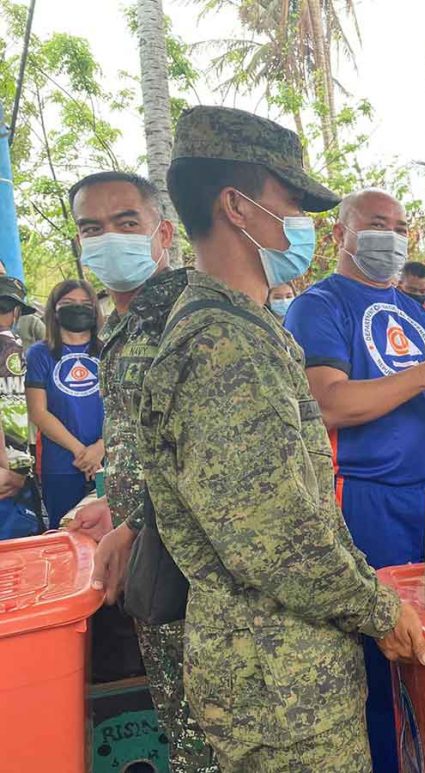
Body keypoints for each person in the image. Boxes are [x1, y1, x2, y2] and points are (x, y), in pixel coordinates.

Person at [105, 106, 425, 771]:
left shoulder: (239, 326)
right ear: (238, 207)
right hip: (280, 689)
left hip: (284, 670)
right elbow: (276, 535)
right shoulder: (225, 345)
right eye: (291, 204)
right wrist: (380, 610)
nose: (301, 225)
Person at [285, 187, 425, 772]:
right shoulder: (319, 306)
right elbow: (329, 403)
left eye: (401, 227)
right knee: (377, 654)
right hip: (361, 497)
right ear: (341, 236)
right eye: (378, 224)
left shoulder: (414, 312)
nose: (393, 237)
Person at [64, 170, 218, 772]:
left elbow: (209, 460)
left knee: (209, 733)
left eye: (127, 223)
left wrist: (135, 524)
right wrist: (112, 502)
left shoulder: (190, 318)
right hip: (150, 569)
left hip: (200, 574)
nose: (110, 239)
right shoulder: (122, 324)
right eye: (92, 228)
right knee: (182, 728)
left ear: (164, 233)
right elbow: (140, 444)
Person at [25, 280, 104, 529]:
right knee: (66, 533)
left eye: (85, 304)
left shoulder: (110, 349)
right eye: (68, 304)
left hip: (109, 459)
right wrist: (82, 452)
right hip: (62, 464)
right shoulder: (39, 354)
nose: (77, 309)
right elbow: (38, 411)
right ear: (54, 310)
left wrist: (101, 448)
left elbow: (127, 406)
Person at [0, 277, 35, 454]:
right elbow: (10, 405)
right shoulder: (9, 345)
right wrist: (17, 459)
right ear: (16, 312)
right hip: (8, 454)